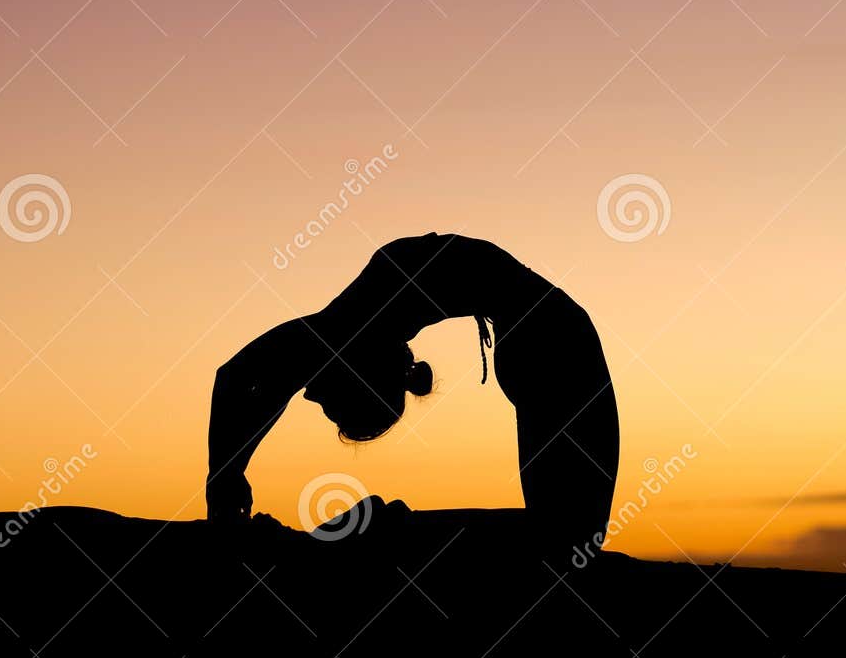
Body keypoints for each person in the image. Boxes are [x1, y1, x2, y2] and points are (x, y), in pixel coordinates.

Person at [206, 233, 619, 552]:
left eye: (330, 409)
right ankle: (383, 526)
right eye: (328, 408)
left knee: (565, 539)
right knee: (565, 540)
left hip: (552, 342)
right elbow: (260, 381)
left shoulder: (348, 326)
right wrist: (228, 474)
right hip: (553, 340)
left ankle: (381, 527)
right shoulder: (357, 324)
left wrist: (225, 479)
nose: (310, 397)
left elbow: (242, 378)